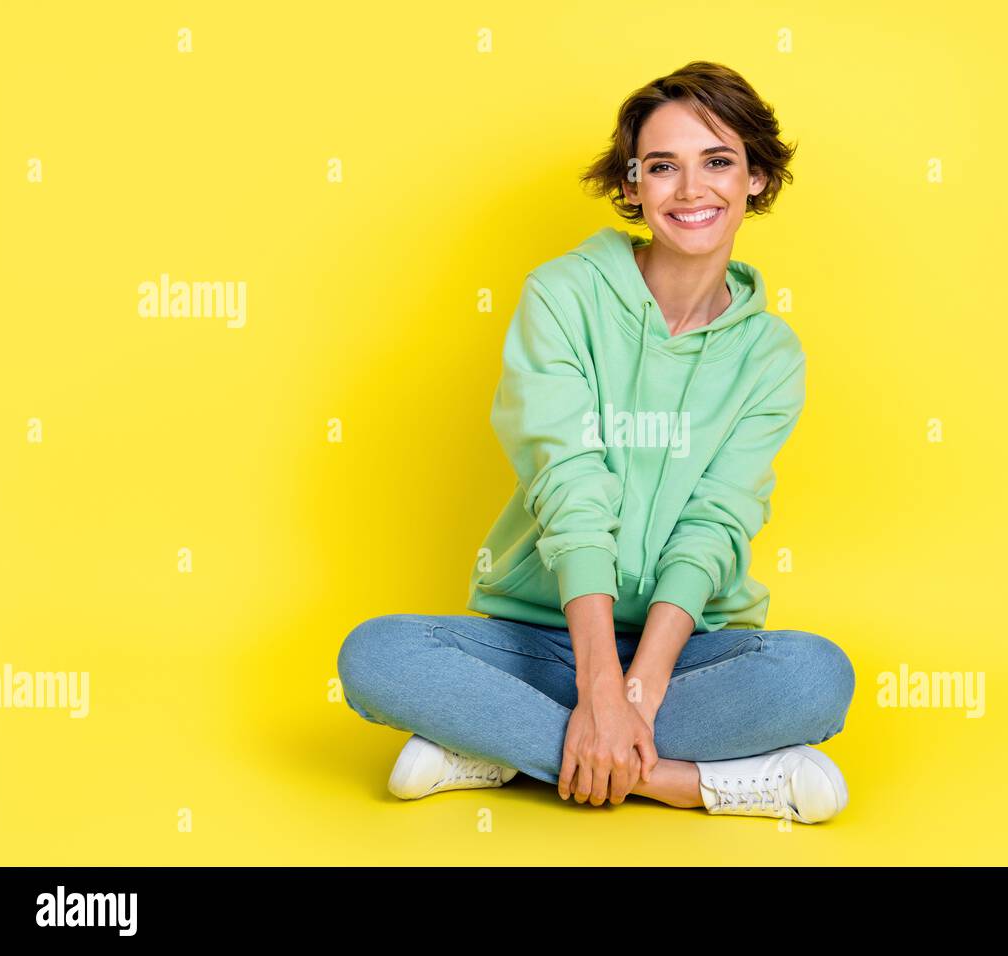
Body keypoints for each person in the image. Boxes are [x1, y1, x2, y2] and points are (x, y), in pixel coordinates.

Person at [337, 61, 856, 824]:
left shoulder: (771, 355)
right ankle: (699, 783)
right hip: (541, 641)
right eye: (663, 167)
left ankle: (497, 749)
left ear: (756, 179)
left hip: (686, 652)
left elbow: (712, 526)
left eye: (718, 161)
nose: (691, 190)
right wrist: (598, 690)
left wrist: (633, 693)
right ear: (632, 185)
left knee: (816, 678)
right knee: (373, 657)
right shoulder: (563, 296)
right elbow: (570, 489)